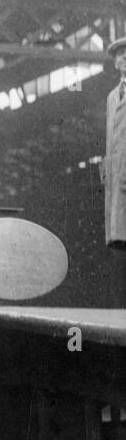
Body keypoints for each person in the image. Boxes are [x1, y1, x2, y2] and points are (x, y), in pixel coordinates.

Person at [105, 36, 126, 306]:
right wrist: (107, 175)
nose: (123, 60)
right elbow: (110, 138)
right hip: (118, 176)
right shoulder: (112, 96)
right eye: (119, 55)